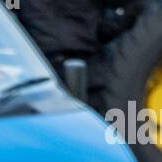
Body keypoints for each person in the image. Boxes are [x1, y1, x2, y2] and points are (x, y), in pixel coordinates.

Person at [16, 2, 144, 105]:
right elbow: (133, 6)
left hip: (39, 71)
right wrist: (104, 31)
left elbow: (6, 12)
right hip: (87, 66)